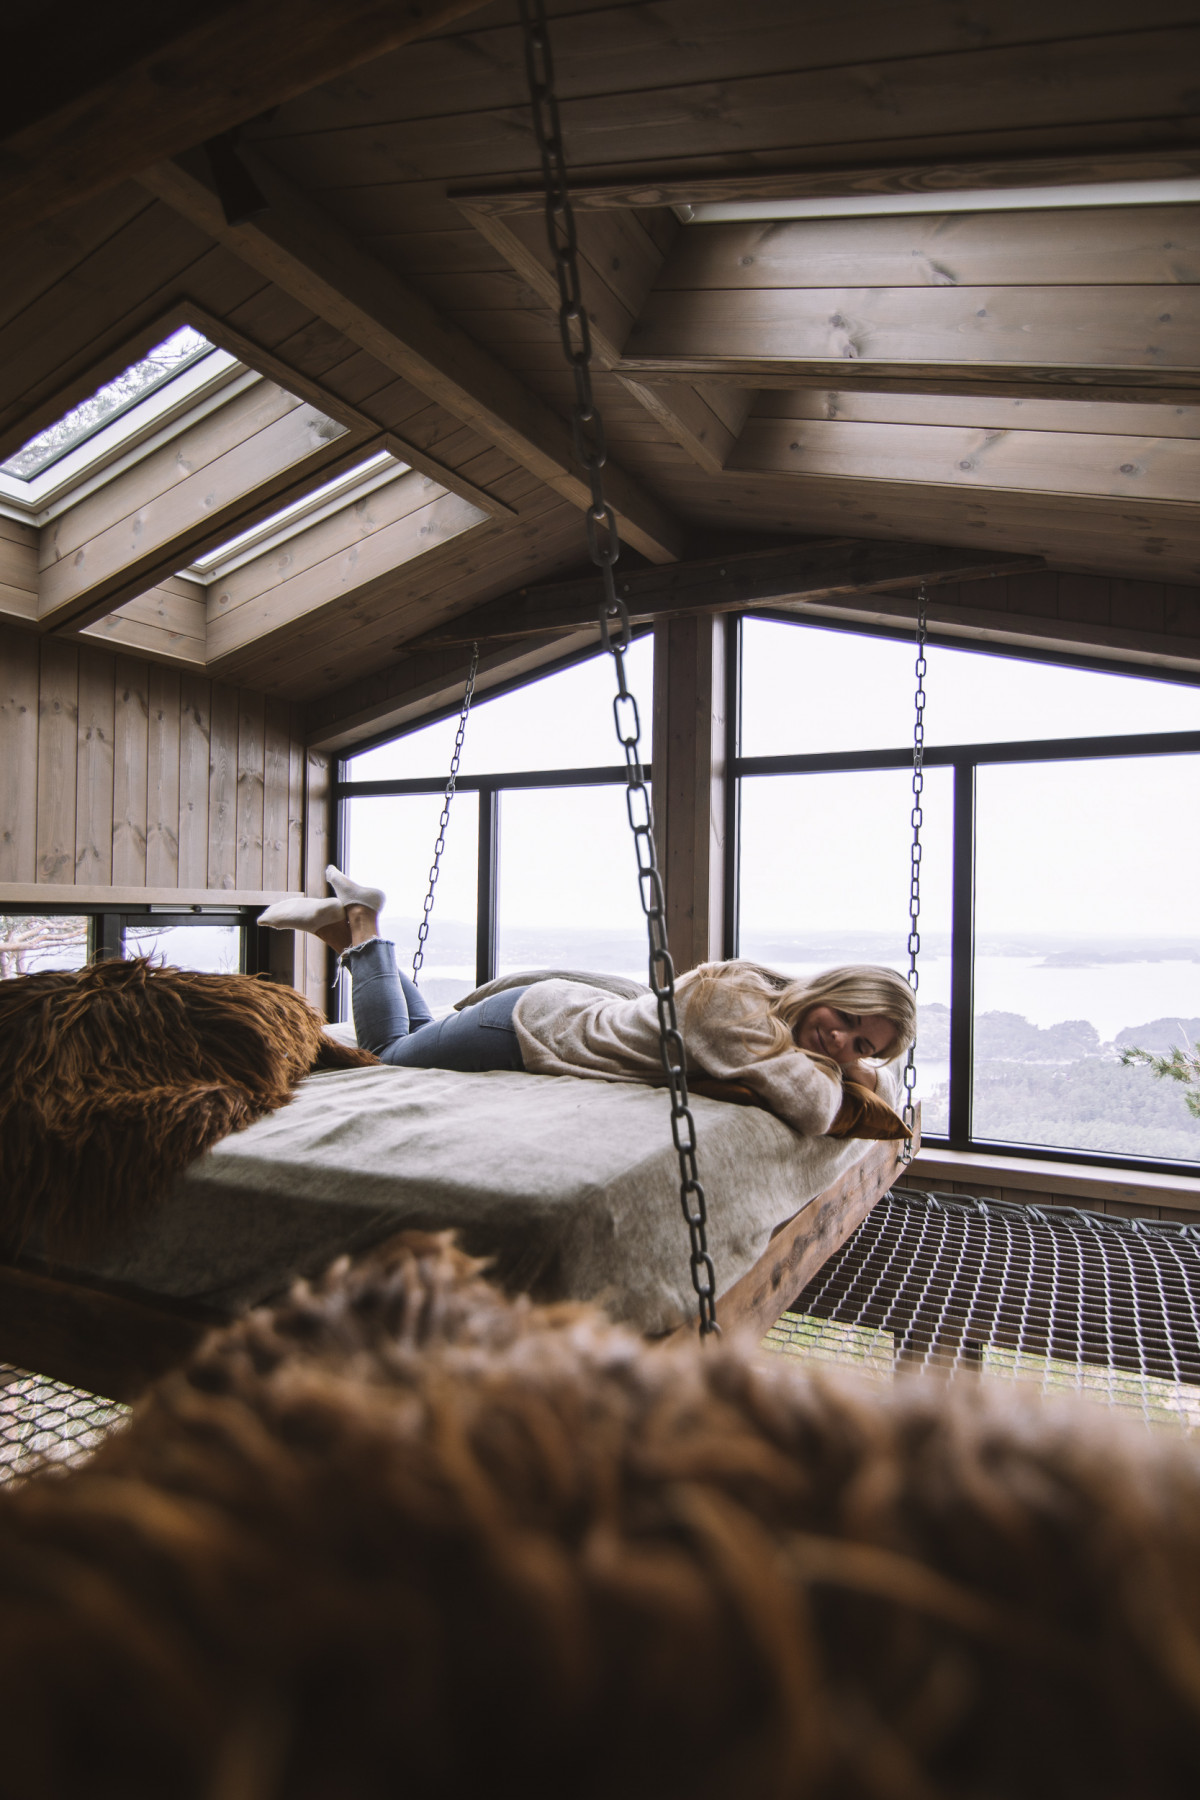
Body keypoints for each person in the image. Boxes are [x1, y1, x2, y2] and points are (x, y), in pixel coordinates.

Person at [259, 867, 917, 1138]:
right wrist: (851, 1071)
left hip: (543, 1015)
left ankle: (342, 932)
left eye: (864, 1046)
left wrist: (852, 1062)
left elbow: (816, 1083)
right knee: (390, 1054)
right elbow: (812, 1109)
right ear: (830, 991)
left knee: (426, 1031)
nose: (841, 1044)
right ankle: (362, 929)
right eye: (847, 1020)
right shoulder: (737, 1009)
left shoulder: (770, 1014)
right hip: (530, 1028)